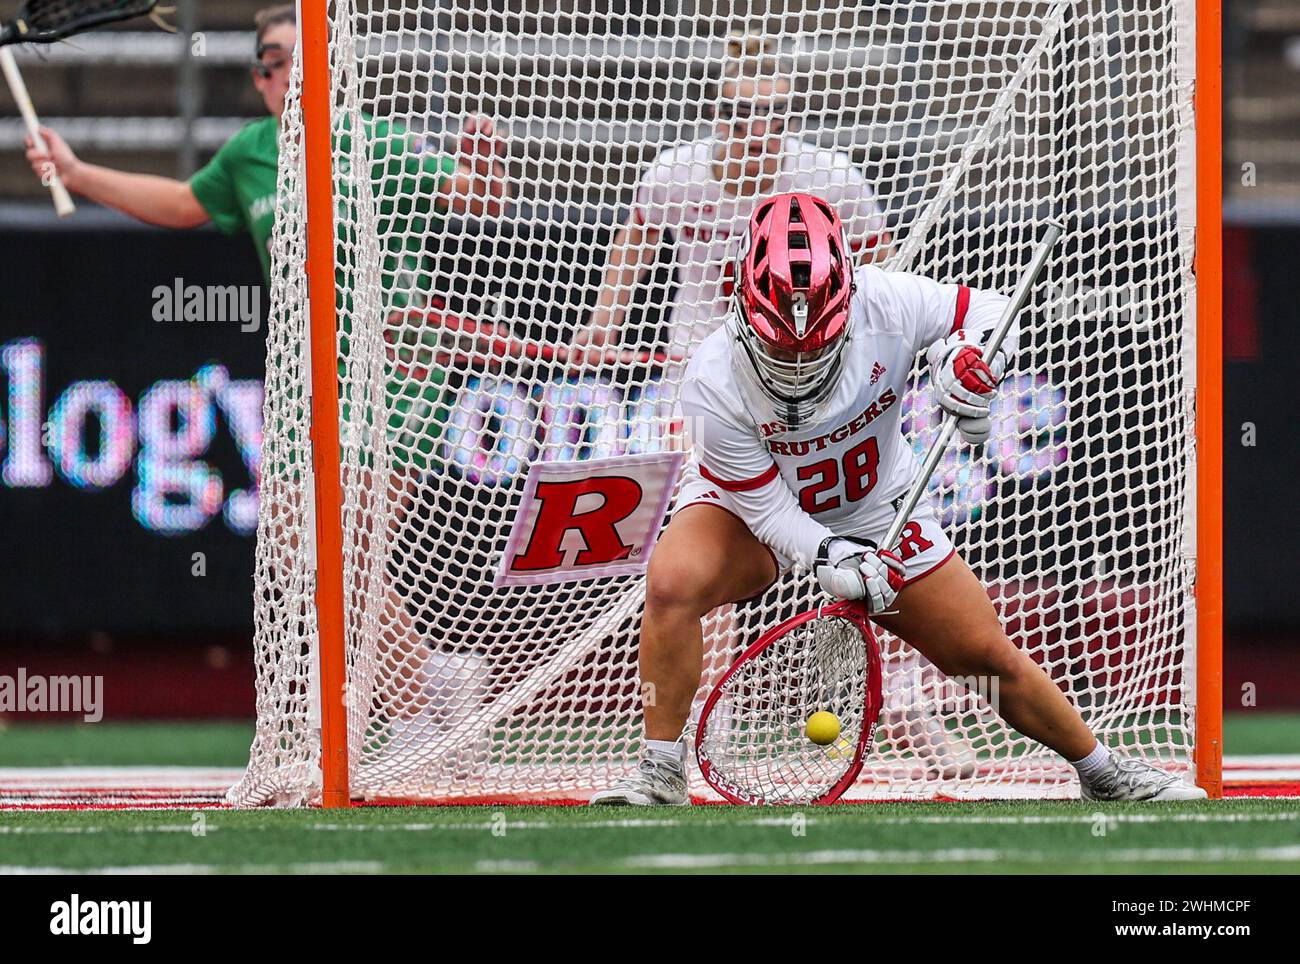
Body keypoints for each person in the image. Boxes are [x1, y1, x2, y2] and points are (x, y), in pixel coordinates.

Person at [589, 192, 1207, 805]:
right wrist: (831, 554)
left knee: (981, 655)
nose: (801, 360)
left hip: (879, 507)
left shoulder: (889, 300)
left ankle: (1102, 771)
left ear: (849, 296)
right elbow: (770, 511)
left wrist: (964, 361)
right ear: (744, 305)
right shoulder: (710, 381)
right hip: (754, 513)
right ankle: (660, 770)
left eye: (819, 340)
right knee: (671, 582)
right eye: (782, 344)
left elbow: (993, 311)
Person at [575, 34, 890, 367]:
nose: (756, 132)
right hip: (696, 356)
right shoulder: (676, 172)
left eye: (772, 115)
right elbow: (640, 236)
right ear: (717, 115)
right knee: (685, 423)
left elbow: (879, 257)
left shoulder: (832, 179)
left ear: (792, 119)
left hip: (800, 363)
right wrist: (606, 319)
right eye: (741, 117)